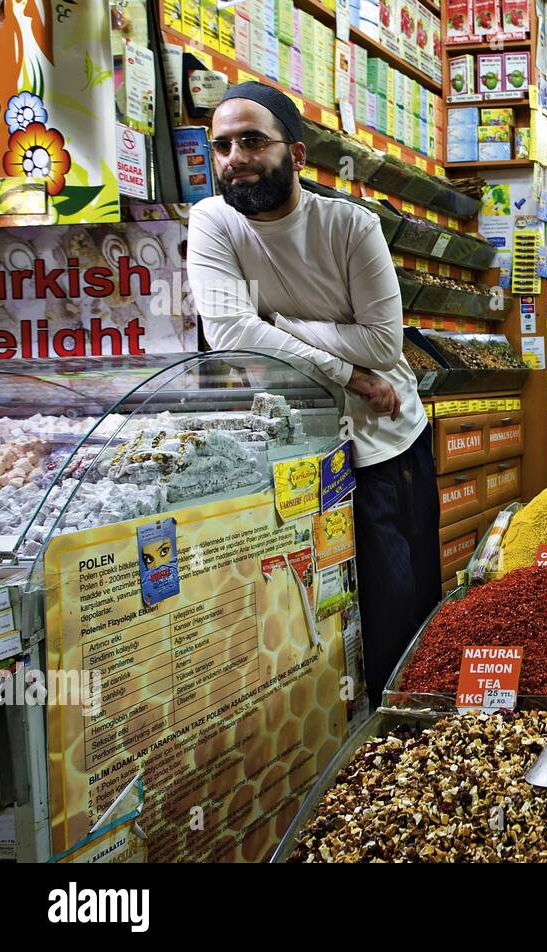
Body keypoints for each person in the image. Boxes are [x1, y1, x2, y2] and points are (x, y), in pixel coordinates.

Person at [185, 82, 438, 707]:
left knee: (397, 612)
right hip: (292, 450)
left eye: (251, 141)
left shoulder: (349, 226)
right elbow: (231, 334)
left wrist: (280, 328)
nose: (234, 157)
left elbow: (384, 344)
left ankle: (405, 735)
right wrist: (346, 374)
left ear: (296, 155)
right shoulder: (213, 222)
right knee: (306, 620)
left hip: (384, 444)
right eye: (221, 145)